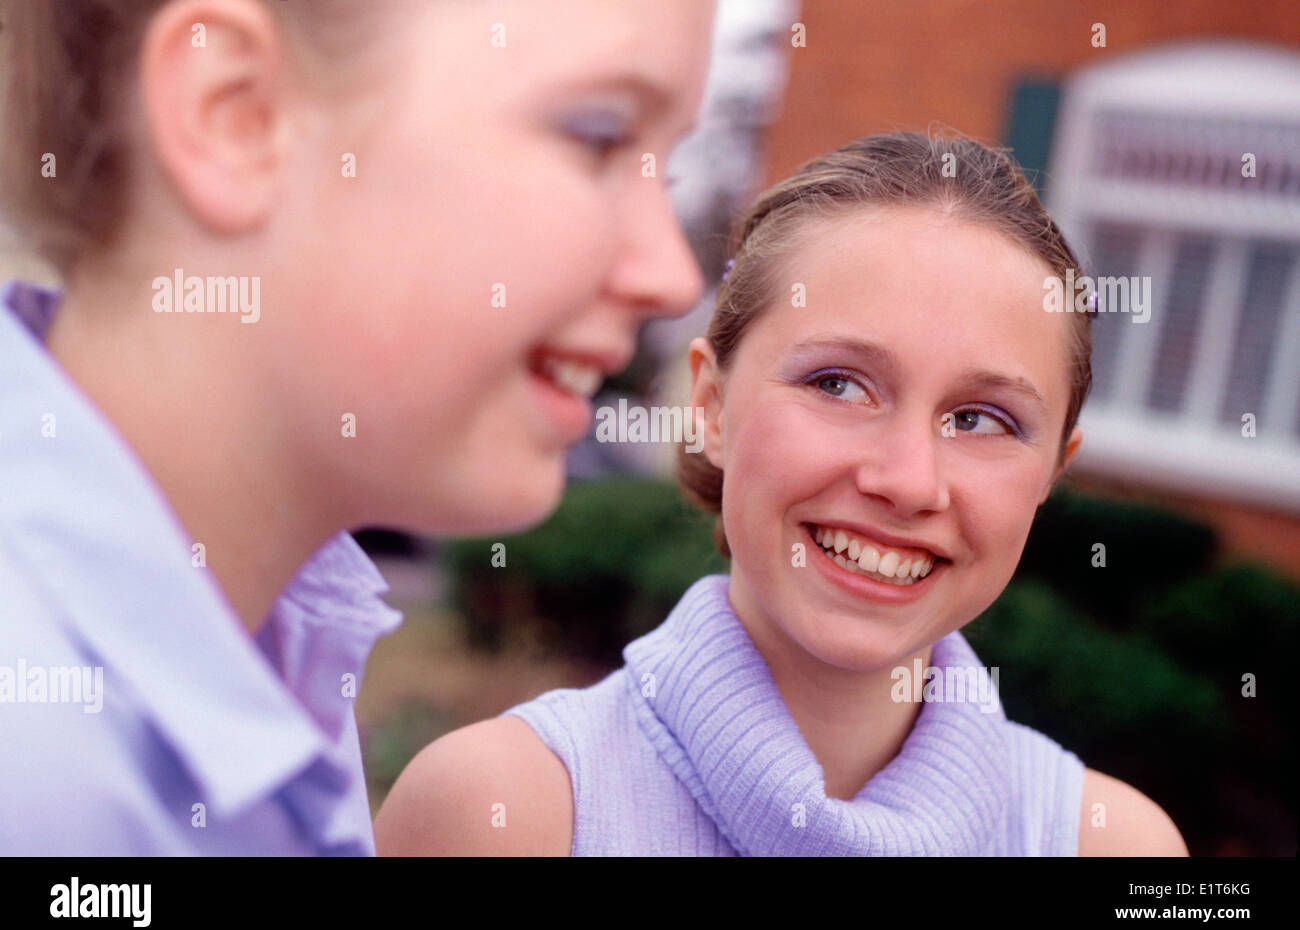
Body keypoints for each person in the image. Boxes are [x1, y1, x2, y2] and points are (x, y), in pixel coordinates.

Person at [0, 0, 714, 854]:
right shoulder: (39, 765)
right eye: (597, 135)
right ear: (235, 115)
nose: (672, 276)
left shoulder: (278, 642)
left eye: (664, 172)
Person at [375, 132, 1190, 856]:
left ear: (1052, 470)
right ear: (712, 407)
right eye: (838, 383)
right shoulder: (504, 814)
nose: (906, 480)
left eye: (980, 418)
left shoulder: (1117, 850)